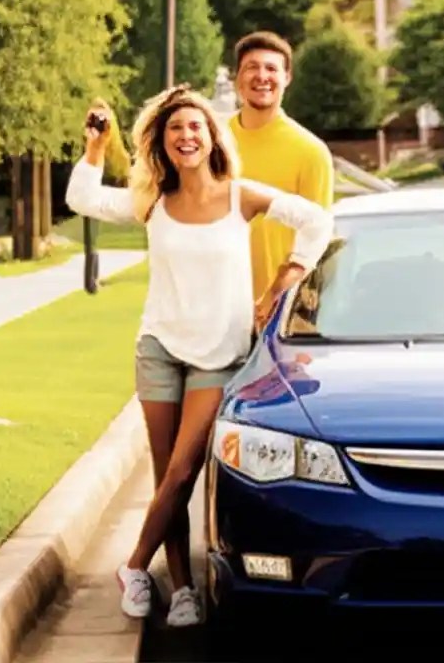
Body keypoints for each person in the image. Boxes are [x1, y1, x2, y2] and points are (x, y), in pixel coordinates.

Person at [66, 86, 335, 626]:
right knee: (168, 471)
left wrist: (288, 275)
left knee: (185, 469)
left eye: (195, 127)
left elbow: (316, 220)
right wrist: (96, 147)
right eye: (174, 130)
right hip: (159, 347)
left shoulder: (242, 196)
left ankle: (135, 565)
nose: (186, 136)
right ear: (161, 144)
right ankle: (183, 589)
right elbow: (83, 199)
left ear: (212, 137)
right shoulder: (153, 202)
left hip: (219, 353)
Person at [226, 30, 336, 298]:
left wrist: (280, 297)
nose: (262, 76)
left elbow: (319, 239)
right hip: (217, 308)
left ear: (287, 78)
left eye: (271, 68)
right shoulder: (212, 141)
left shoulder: (311, 152)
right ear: (237, 79)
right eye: (252, 67)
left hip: (276, 310)